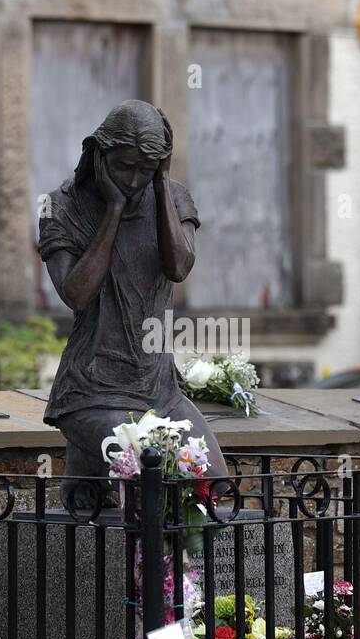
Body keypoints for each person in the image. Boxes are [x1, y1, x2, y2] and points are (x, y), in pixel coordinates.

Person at [38, 99, 228, 503]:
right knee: (151, 479)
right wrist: (114, 210)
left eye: (147, 168)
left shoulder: (172, 199)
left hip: (160, 390)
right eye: (125, 166)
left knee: (211, 486)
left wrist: (162, 185)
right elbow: (76, 294)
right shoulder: (62, 206)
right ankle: (87, 467)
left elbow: (179, 267)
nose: (134, 179)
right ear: (98, 153)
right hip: (91, 391)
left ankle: (87, 473)